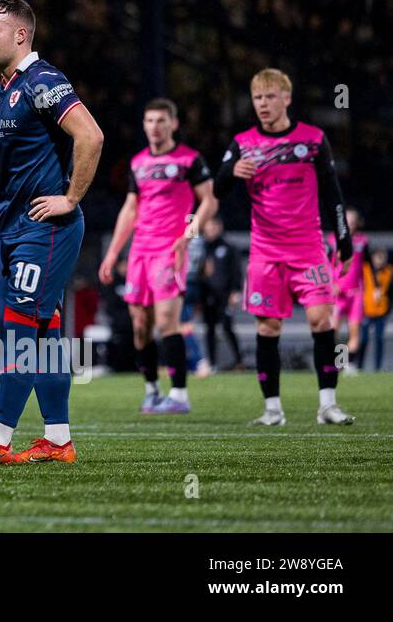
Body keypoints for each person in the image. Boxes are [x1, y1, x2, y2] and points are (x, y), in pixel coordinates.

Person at [0, 0, 104, 465]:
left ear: (20, 35)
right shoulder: (6, 90)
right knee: (45, 337)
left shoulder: (43, 81)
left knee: (17, 330)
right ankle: (58, 441)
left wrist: (71, 198)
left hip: (48, 227)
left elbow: (91, 135)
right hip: (20, 228)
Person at [213, 68, 354, 426]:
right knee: (267, 328)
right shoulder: (243, 144)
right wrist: (232, 173)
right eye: (258, 97)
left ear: (286, 99)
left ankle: (327, 405)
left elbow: (333, 192)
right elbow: (216, 188)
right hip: (265, 252)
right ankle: (272, 409)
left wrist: (344, 236)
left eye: (270, 96)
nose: (263, 104)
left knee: (322, 321)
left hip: (308, 248)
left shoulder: (314, 139)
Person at [98, 99, 217, 414]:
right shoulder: (137, 163)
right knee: (140, 325)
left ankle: (179, 395)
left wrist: (187, 237)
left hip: (170, 250)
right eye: (149, 120)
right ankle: (152, 391)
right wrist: (112, 254)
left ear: (173, 124)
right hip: (140, 251)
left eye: (161, 120)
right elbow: (130, 209)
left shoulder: (190, 160)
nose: (155, 126)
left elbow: (209, 201)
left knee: (167, 321)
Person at [196, 216, 244, 370]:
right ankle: (212, 363)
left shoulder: (229, 248)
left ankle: (238, 361)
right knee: (209, 329)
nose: (210, 231)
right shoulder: (202, 248)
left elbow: (236, 272)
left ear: (219, 227)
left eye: (213, 227)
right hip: (207, 295)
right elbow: (197, 274)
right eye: (208, 228)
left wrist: (235, 292)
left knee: (227, 327)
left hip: (225, 295)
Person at [328, 208, 368, 372]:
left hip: (355, 293)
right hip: (337, 294)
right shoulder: (332, 240)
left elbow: (368, 265)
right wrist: (331, 284)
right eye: (346, 220)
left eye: (352, 220)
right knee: (333, 330)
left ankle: (348, 365)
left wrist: (375, 288)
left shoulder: (362, 241)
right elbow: (326, 264)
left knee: (353, 330)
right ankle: (337, 363)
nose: (349, 223)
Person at [360, 248, 389, 371]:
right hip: (366, 310)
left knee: (379, 339)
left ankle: (377, 367)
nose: (379, 261)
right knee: (363, 339)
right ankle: (358, 366)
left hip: (382, 311)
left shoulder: (389, 272)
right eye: (377, 258)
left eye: (381, 259)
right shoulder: (365, 269)